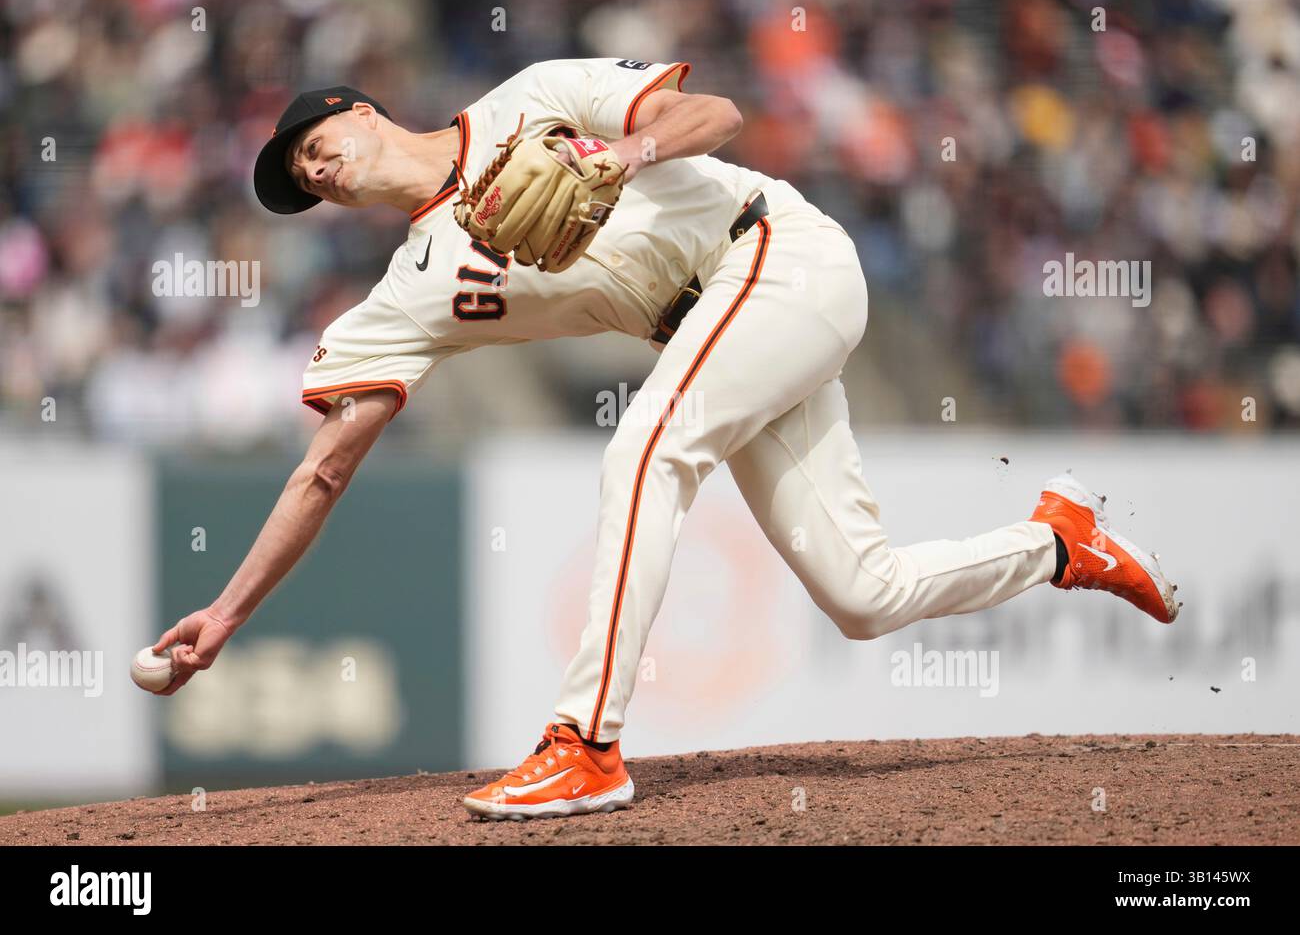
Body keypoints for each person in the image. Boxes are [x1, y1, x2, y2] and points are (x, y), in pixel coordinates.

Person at [153, 59, 1179, 821]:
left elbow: (718, 110)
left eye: (314, 147)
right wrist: (229, 613)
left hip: (777, 254)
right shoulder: (404, 295)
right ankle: (1056, 540)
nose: (316, 174)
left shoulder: (527, 101)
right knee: (863, 594)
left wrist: (624, 150)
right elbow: (324, 465)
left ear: (359, 111)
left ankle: (585, 742)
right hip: (723, 333)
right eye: (302, 179)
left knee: (642, 450)